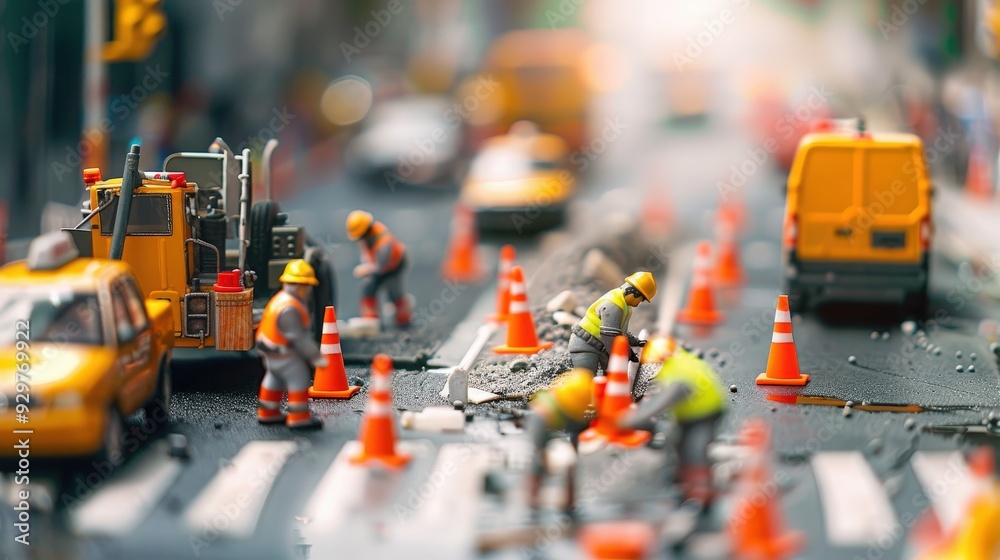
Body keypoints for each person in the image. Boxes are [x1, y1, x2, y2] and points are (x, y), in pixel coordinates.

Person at [618, 336, 726, 505]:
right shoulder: (681, 359)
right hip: (689, 413)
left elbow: (664, 401)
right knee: (678, 443)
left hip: (705, 413)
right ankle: (683, 481)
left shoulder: (680, 373)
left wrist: (633, 418)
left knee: (695, 449)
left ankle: (702, 490)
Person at [256, 259, 326, 429]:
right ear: (301, 286)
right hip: (285, 354)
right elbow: (299, 338)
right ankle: (299, 417)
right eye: (308, 286)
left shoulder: (279, 300)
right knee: (299, 380)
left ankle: (268, 412)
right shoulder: (290, 308)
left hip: (269, 351)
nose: (309, 290)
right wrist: (315, 356)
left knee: (273, 378)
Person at [522, 368, 594, 519]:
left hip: (547, 422)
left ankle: (566, 504)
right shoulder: (547, 411)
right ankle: (533, 500)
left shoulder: (566, 401)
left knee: (566, 465)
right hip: (541, 425)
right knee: (539, 463)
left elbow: (576, 425)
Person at [568, 272, 656, 374]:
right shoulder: (614, 305)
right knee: (585, 376)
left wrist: (634, 342)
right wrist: (628, 353)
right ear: (634, 293)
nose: (638, 304)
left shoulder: (624, 304)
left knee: (603, 373)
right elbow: (610, 337)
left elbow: (619, 332)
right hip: (585, 346)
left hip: (597, 344)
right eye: (641, 300)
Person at [345, 210, 411, 327]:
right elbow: (367, 255)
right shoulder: (366, 238)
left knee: (394, 291)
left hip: (394, 265)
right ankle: (371, 321)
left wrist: (365, 269)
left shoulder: (384, 241)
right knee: (368, 289)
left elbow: (381, 266)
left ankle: (404, 319)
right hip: (379, 266)